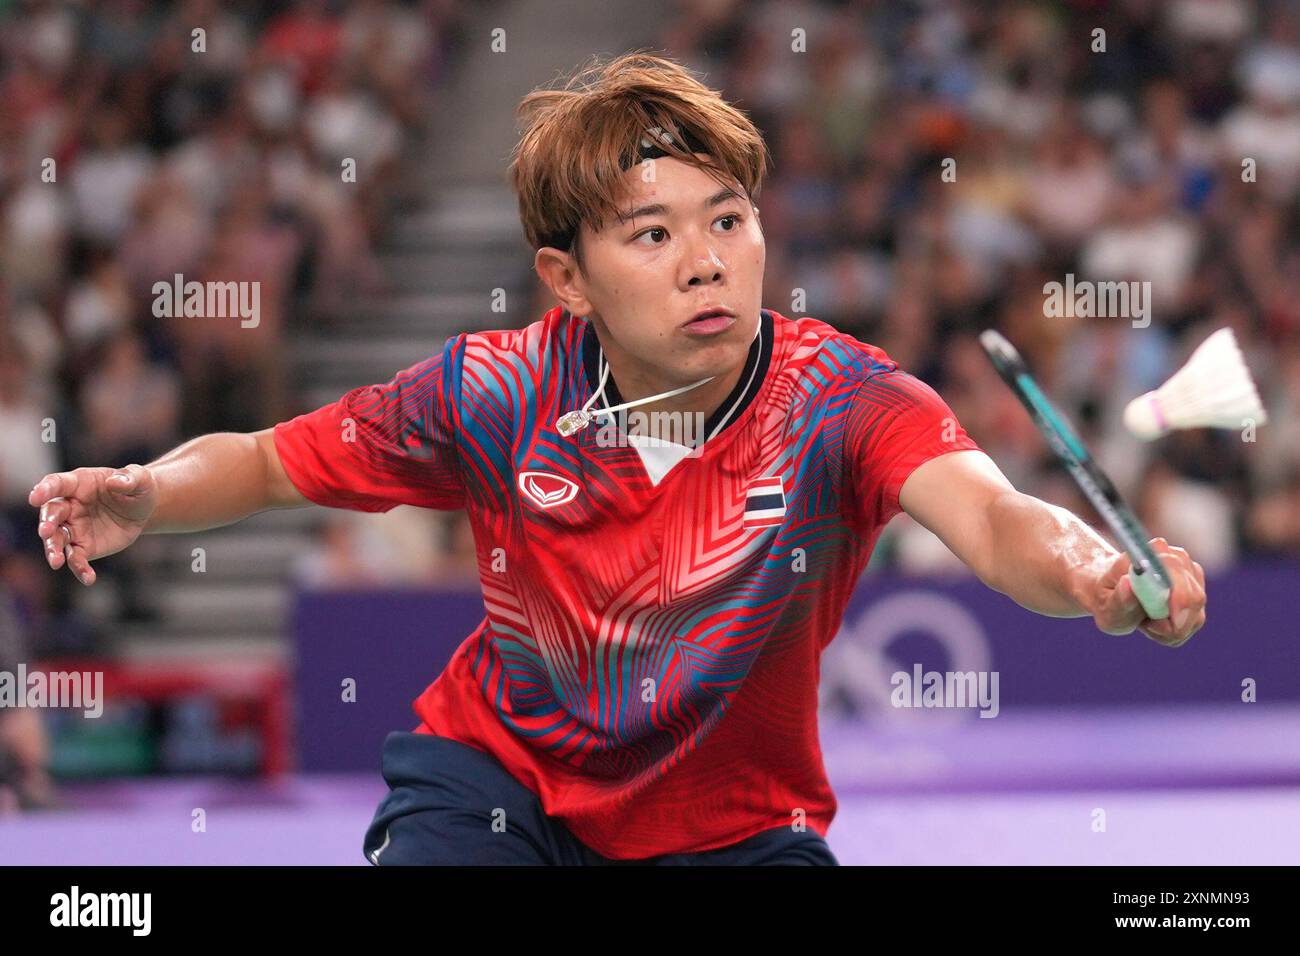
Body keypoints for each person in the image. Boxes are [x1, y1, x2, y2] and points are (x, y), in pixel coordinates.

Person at [27, 53, 1207, 866]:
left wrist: (1097, 573)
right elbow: (267, 461)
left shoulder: (840, 398)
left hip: (734, 828)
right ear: (566, 278)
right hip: (500, 788)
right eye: (653, 233)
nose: (706, 260)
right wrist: (148, 494)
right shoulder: (493, 391)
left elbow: (995, 519)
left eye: (729, 218)